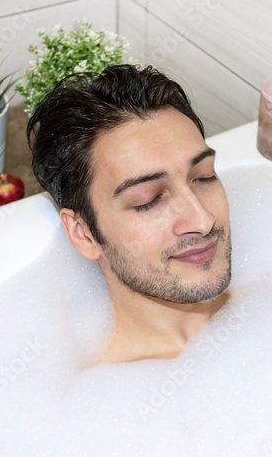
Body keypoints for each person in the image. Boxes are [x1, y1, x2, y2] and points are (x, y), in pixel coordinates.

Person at [27, 64, 233, 365]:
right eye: (147, 201)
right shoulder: (96, 400)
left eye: (203, 177)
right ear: (84, 234)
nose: (202, 221)